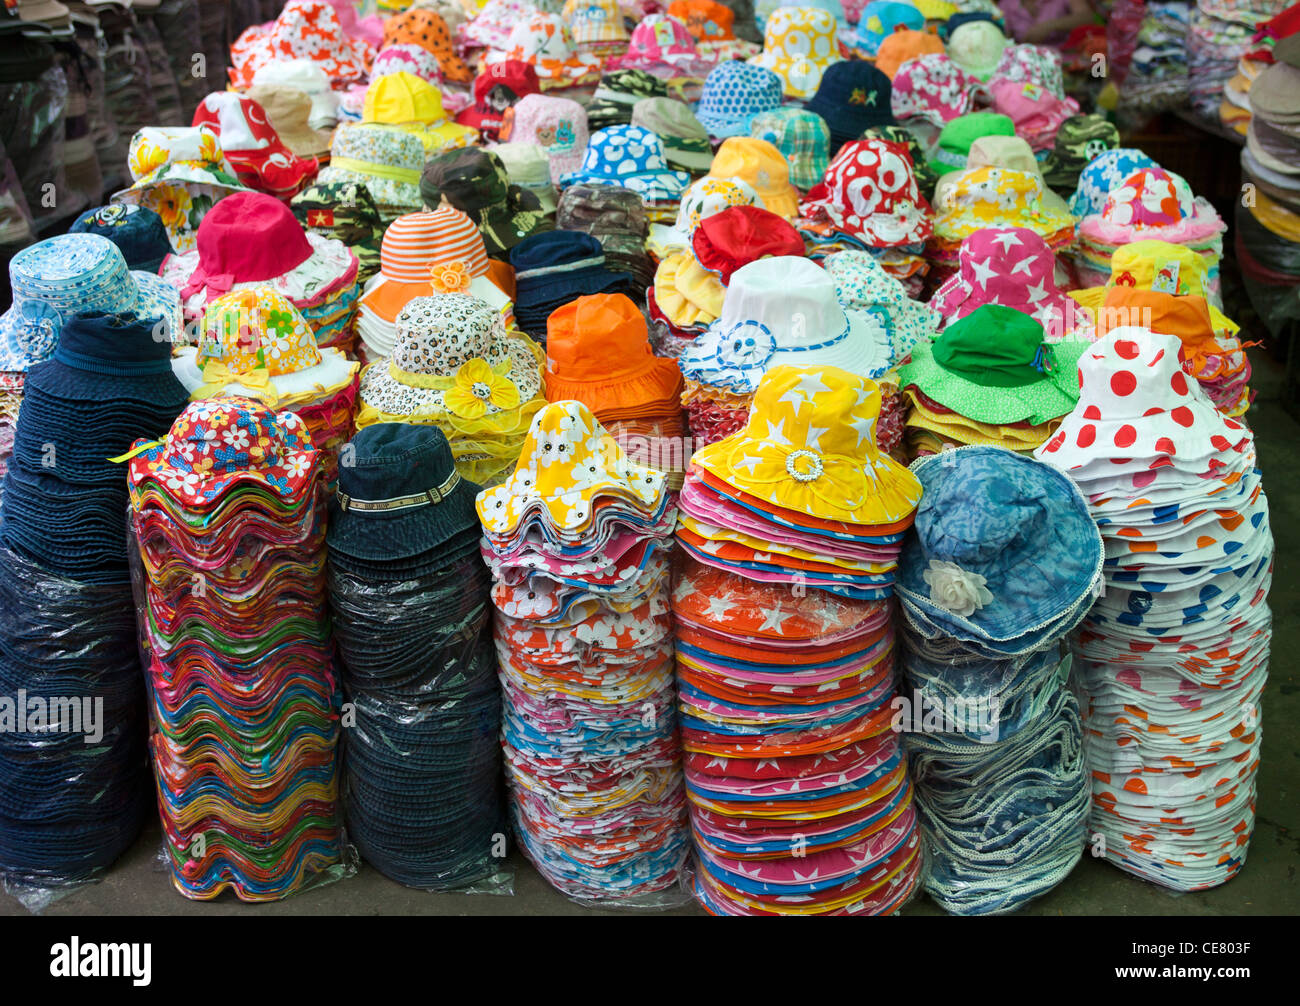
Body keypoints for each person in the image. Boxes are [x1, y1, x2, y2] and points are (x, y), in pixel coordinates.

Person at [1002, 0, 1098, 44]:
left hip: (1067, 62)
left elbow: (1090, 18)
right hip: (1026, 65)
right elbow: (1005, 42)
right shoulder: (1008, 4)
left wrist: (1051, 25)